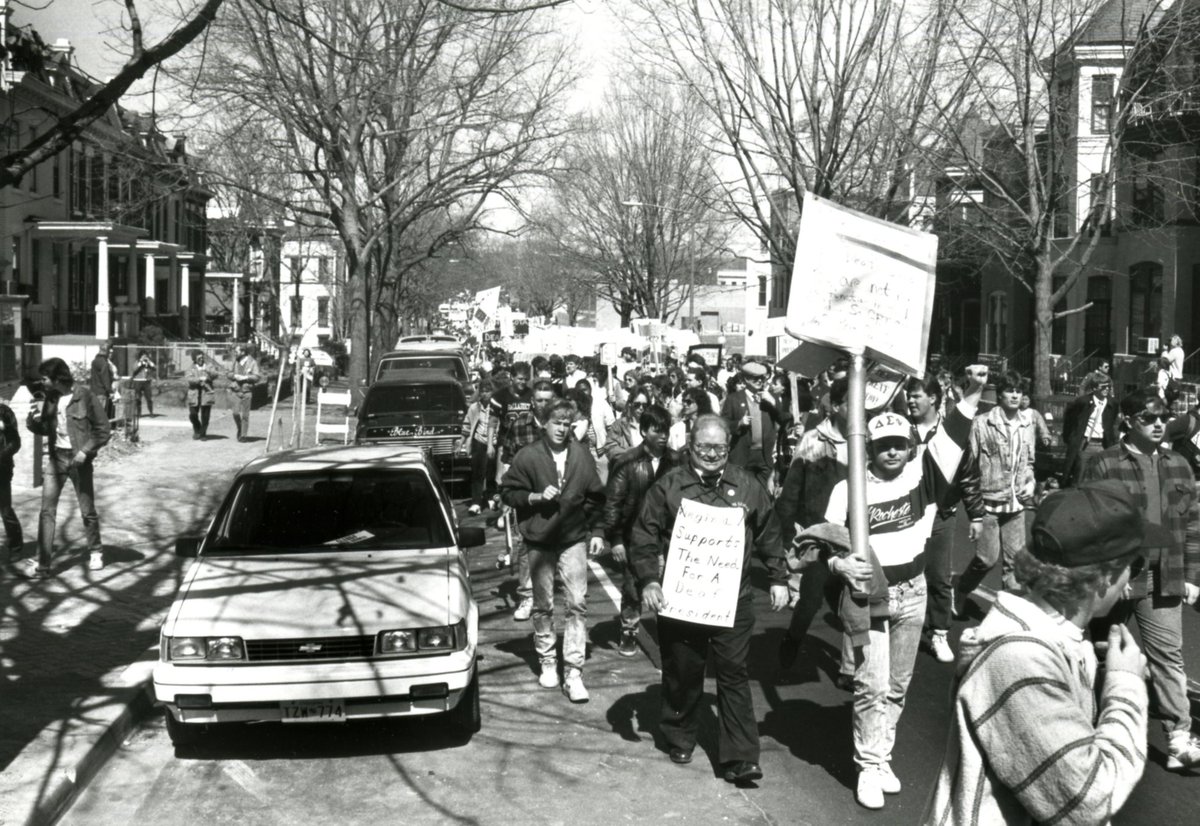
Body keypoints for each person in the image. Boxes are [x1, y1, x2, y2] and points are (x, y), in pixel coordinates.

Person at [923, 481, 1154, 825]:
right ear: (1103, 577)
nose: (1132, 582)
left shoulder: (1057, 640)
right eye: (1134, 566)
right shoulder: (1021, 661)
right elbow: (1088, 800)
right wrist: (1126, 686)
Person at [819, 410, 972, 810]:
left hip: (914, 592)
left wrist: (970, 398)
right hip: (868, 597)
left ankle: (882, 754)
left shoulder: (923, 478)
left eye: (899, 445)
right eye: (883, 444)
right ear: (869, 447)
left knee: (899, 685)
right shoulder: (846, 489)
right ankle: (868, 765)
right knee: (871, 684)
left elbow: (952, 440)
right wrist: (838, 564)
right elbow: (824, 544)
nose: (892, 452)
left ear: (911, 448)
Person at [630, 414, 788, 785]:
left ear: (729, 445)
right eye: (704, 447)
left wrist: (779, 576)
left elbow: (768, 530)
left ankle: (741, 758)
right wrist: (650, 581)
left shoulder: (748, 486)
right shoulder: (669, 487)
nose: (712, 454)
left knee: (734, 675)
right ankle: (679, 734)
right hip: (683, 601)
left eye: (719, 447)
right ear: (690, 447)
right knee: (684, 672)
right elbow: (644, 534)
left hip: (734, 600)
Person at [1081, 388, 1200, 771]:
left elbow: (1194, 523)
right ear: (1129, 422)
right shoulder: (1104, 463)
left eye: (1163, 417)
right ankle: (1089, 727)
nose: (1159, 423)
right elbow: (1088, 520)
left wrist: (1193, 575)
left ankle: (1179, 737)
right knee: (1101, 652)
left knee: (1168, 657)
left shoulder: (1179, 464)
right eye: (1149, 418)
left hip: (1164, 577)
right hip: (1116, 577)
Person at [500, 398, 606, 703]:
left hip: (572, 538)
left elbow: (596, 497)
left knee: (576, 602)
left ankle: (573, 671)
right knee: (543, 604)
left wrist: (596, 531)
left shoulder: (581, 455)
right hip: (540, 540)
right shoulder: (529, 456)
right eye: (556, 422)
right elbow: (508, 492)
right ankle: (548, 660)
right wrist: (534, 497)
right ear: (543, 423)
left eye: (566, 423)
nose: (561, 428)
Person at [907, 368, 988, 663]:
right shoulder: (902, 430)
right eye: (908, 396)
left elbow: (968, 476)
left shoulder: (952, 433)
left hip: (941, 515)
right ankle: (905, 627)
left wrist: (976, 516)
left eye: (916, 396)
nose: (911, 401)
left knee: (939, 576)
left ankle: (939, 633)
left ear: (933, 398)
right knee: (906, 573)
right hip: (906, 514)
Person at [19, 357, 111, 577]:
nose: (42, 382)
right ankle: (43, 565)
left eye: (45, 378)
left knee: (87, 510)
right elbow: (46, 429)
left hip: (79, 460)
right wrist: (33, 420)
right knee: (46, 512)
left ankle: (96, 550)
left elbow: (103, 429)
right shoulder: (51, 398)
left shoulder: (84, 396)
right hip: (56, 459)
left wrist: (85, 451)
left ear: (56, 377)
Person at [603, 404, 680, 657]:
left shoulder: (677, 462)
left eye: (665, 430)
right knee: (633, 588)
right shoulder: (627, 461)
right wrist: (615, 539)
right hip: (633, 535)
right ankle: (629, 631)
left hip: (667, 537)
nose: (663, 435)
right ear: (644, 431)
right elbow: (613, 503)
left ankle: (670, 636)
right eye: (657, 430)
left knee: (669, 585)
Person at [957, 370, 1038, 603]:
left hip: (1016, 506)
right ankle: (961, 589)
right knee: (986, 559)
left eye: (1018, 391)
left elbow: (1029, 462)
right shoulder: (982, 424)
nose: (1014, 395)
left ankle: (1007, 612)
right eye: (1009, 390)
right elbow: (969, 466)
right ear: (999, 395)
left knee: (1015, 565)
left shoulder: (1027, 424)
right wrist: (974, 509)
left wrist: (1030, 482)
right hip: (988, 505)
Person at [500, 380, 558, 621]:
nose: (544, 404)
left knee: (556, 542)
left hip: (554, 494)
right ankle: (526, 596)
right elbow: (507, 458)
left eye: (548, 400)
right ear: (532, 402)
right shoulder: (519, 425)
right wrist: (502, 492)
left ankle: (549, 592)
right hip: (526, 496)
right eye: (540, 400)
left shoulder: (559, 425)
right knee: (525, 545)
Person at [721, 360, 781, 489]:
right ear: (746, 379)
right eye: (755, 378)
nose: (760, 381)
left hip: (765, 456)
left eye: (762, 378)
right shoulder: (734, 399)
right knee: (741, 491)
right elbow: (723, 424)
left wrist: (774, 404)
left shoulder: (770, 398)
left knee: (765, 493)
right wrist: (739, 423)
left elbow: (784, 419)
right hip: (743, 455)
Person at [1061, 370, 1117, 486]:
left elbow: (1112, 422)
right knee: (1080, 474)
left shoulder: (1112, 403)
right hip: (1086, 443)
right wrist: (1071, 439)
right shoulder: (1083, 402)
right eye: (1104, 387)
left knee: (1102, 476)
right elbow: (1069, 420)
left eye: (1109, 386)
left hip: (1103, 444)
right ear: (1095, 388)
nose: (1107, 389)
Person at [461, 379, 496, 515]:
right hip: (479, 441)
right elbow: (467, 424)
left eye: (487, 391)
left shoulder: (497, 406)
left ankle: (492, 497)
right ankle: (476, 502)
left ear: (492, 392)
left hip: (494, 441)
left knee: (492, 471)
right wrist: (461, 441)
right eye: (482, 391)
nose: (484, 394)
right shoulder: (474, 407)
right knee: (477, 472)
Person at [0, 397, 23, 559]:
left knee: (5, 509)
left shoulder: (4, 413)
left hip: (2, 468)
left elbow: (15, 442)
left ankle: (15, 547)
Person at [604, 389, 650, 461]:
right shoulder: (619, 425)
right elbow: (609, 448)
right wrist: (630, 453)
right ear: (630, 404)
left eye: (644, 405)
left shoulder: (651, 425)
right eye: (637, 405)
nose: (641, 408)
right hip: (626, 468)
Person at [229, 343, 260, 442]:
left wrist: (246, 377)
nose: (235, 353)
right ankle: (240, 427)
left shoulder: (252, 362)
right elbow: (227, 373)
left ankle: (243, 435)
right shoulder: (234, 362)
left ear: (243, 352)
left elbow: (257, 377)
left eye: (236, 351)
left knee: (245, 415)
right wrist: (234, 376)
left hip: (247, 391)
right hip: (236, 390)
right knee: (235, 413)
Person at [185, 351, 218, 440]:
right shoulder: (191, 368)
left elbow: (215, 374)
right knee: (193, 414)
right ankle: (197, 429)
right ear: (195, 359)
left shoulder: (209, 366)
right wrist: (199, 379)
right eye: (199, 358)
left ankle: (203, 434)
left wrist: (208, 373)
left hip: (206, 393)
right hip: (194, 394)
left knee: (205, 416)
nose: (201, 359)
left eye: (202, 357)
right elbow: (189, 379)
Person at [668, 387, 712, 451]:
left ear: (700, 403)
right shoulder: (677, 428)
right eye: (683, 401)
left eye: (689, 402)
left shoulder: (711, 426)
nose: (685, 404)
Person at [89, 342, 115, 420]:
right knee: (101, 416)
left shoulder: (95, 360)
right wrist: (110, 391)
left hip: (94, 390)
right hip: (102, 392)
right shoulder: (104, 363)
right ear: (106, 351)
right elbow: (105, 378)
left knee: (95, 414)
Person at [130, 350, 156, 417]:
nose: (144, 357)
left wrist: (149, 361)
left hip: (146, 381)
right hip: (138, 381)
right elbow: (134, 369)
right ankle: (139, 413)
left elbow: (154, 367)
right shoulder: (137, 362)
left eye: (145, 355)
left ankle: (151, 412)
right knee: (138, 398)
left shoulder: (148, 363)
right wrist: (140, 362)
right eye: (143, 355)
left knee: (149, 398)